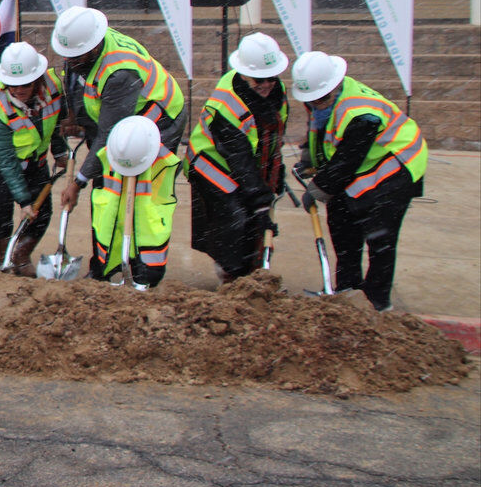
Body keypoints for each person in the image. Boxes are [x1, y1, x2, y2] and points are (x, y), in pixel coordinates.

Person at [290, 51, 427, 312]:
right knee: (343, 229)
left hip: (396, 166)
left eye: (321, 98)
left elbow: (346, 161)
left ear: (336, 85)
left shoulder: (362, 114)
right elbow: (322, 132)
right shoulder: (322, 98)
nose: (316, 104)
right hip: (361, 167)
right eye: (312, 100)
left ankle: (377, 301)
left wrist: (318, 189)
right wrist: (311, 159)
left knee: (380, 238)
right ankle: (347, 291)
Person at [51, 5, 186, 218]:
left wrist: (79, 182)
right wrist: (74, 116)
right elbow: (74, 80)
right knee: (105, 185)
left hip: (160, 120)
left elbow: (108, 136)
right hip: (121, 116)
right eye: (67, 56)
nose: (70, 62)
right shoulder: (79, 46)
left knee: (138, 192)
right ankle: (105, 244)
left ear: (94, 48)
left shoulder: (119, 73)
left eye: (76, 58)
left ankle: (133, 245)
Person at [187, 32, 289, 283]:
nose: (266, 85)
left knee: (256, 216)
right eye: (259, 80)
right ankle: (231, 274)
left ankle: (251, 269)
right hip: (211, 163)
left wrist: (276, 172)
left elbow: (275, 133)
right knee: (236, 215)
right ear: (243, 73)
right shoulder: (226, 106)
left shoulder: (276, 91)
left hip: (244, 161)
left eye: (271, 78)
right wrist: (261, 200)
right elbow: (240, 161)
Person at [0, 41, 69, 274]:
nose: (19, 90)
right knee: (2, 202)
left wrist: (60, 150)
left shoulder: (53, 87)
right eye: (13, 84)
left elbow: (54, 122)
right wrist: (23, 200)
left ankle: (19, 255)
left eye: (25, 84)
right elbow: (5, 158)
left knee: (42, 211)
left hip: (35, 160)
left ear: (38, 78)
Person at [91, 114, 179, 288]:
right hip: (116, 223)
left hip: (145, 229)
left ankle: (141, 273)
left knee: (150, 273)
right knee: (105, 260)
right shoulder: (112, 152)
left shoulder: (163, 162)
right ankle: (115, 268)